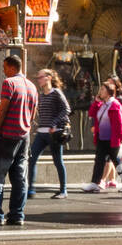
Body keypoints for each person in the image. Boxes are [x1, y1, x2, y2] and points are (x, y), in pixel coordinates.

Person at [0, 54, 38, 226]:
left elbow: (2, 110)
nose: (4, 71)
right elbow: (34, 113)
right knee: (20, 177)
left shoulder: (9, 83)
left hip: (7, 136)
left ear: (12, 68)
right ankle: (17, 215)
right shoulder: (32, 86)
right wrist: (26, 126)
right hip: (24, 136)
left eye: (5, 68)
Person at [29, 69, 71, 199]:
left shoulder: (56, 93)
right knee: (31, 158)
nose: (38, 80)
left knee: (58, 161)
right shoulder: (40, 95)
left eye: (40, 77)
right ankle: (30, 189)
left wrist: (53, 123)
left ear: (48, 78)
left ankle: (63, 190)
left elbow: (67, 109)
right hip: (41, 132)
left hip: (54, 133)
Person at [83, 82, 122, 194]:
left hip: (112, 139)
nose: (100, 92)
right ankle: (94, 183)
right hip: (101, 138)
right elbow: (92, 113)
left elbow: (119, 123)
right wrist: (96, 102)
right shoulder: (103, 104)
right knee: (99, 161)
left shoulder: (115, 104)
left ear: (108, 92)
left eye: (102, 89)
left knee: (116, 162)